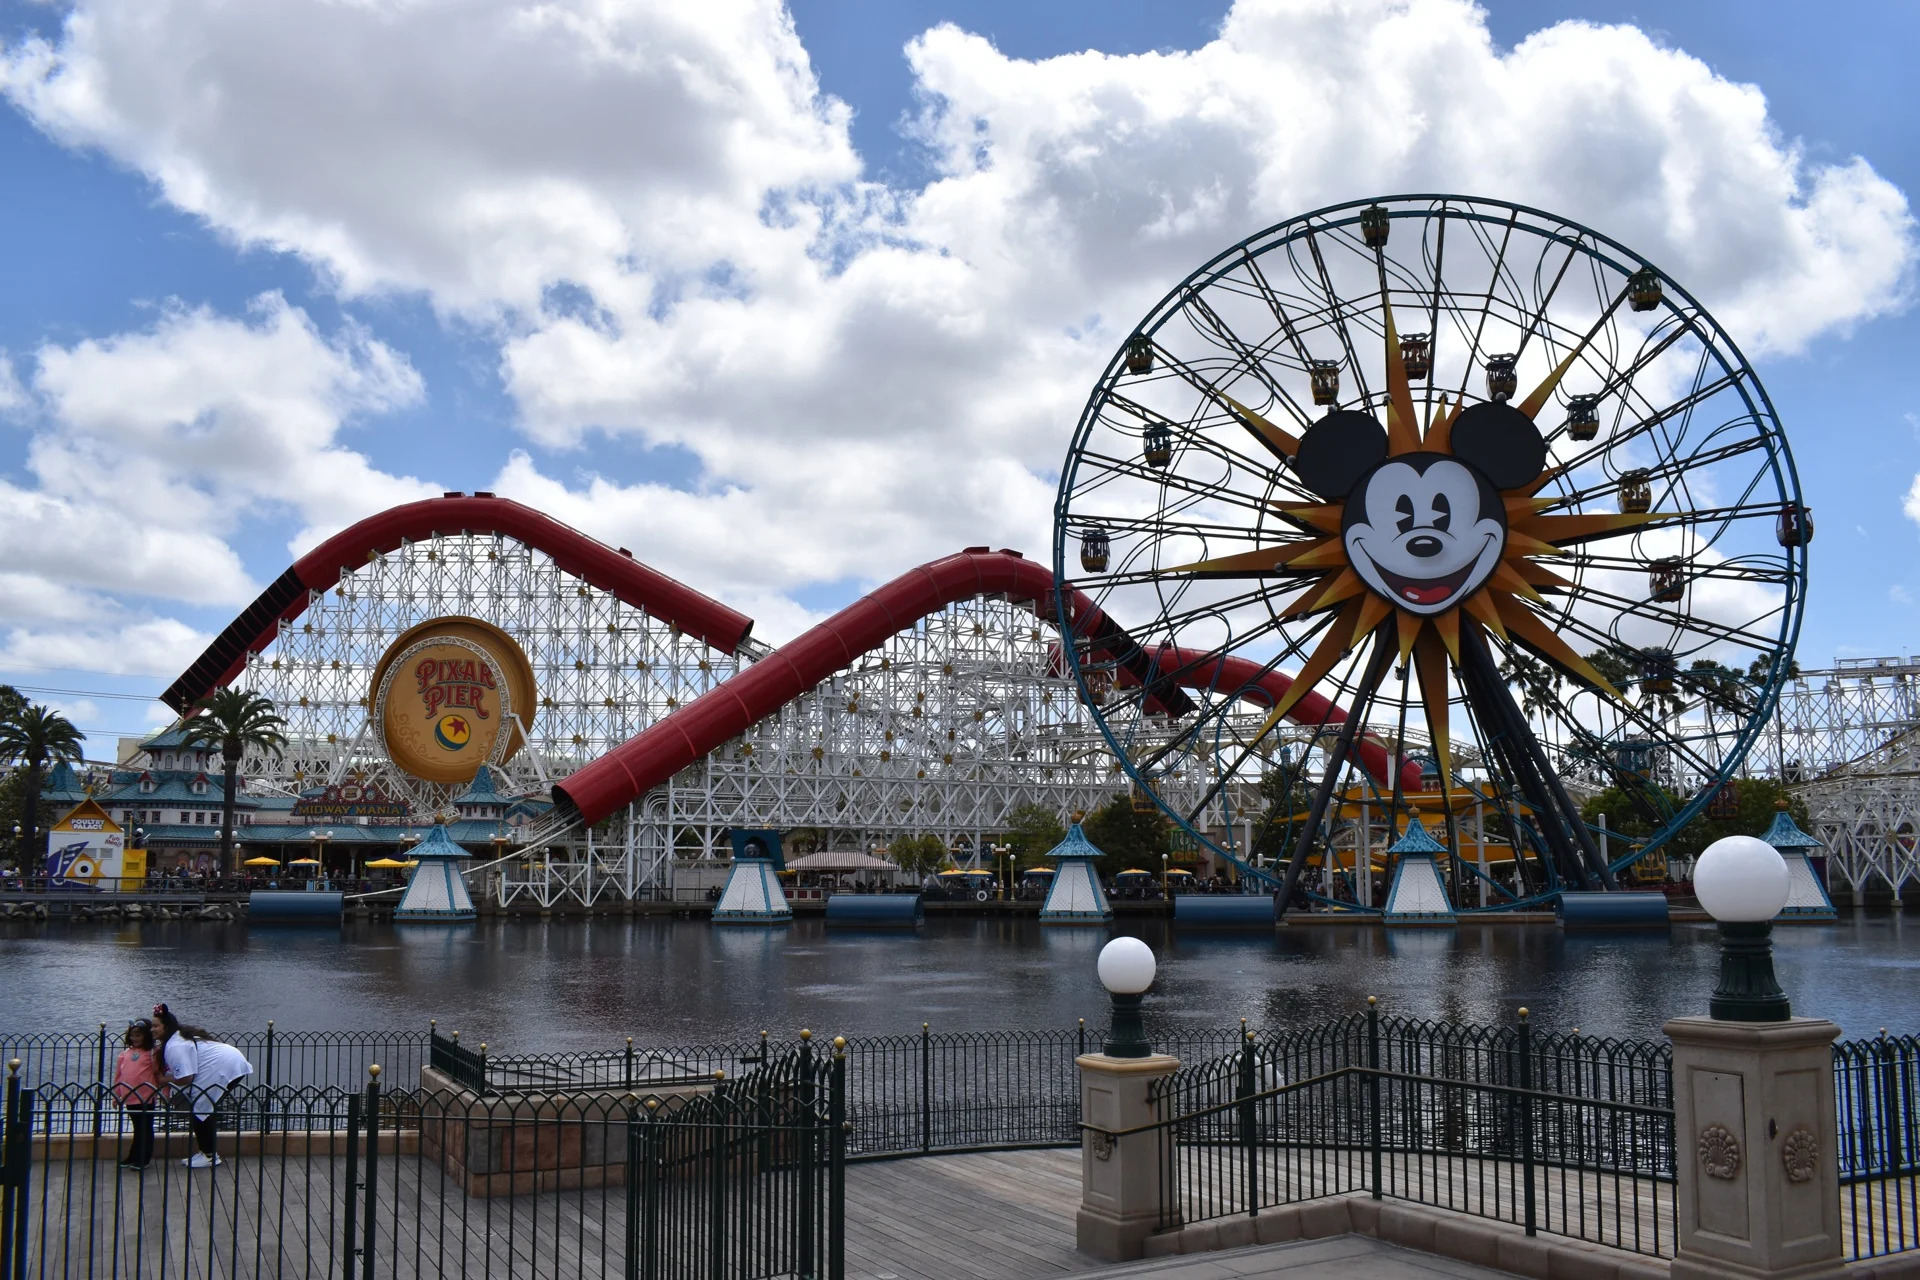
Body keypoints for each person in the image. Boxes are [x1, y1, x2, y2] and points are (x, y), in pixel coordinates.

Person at [152, 1003, 253, 1168]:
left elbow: (186, 1078)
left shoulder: (175, 1046)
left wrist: (164, 1080)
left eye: (156, 1026)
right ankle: (207, 1152)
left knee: (200, 1109)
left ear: (166, 1027)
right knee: (203, 1109)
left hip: (222, 1067)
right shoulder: (177, 1037)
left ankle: (209, 1155)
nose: (152, 1029)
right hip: (229, 1062)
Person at [111, 1018, 165, 1171]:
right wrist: (117, 1094)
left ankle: (144, 1158)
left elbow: (159, 1073)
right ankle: (134, 1156)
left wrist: (164, 1093)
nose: (135, 1039)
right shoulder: (125, 1054)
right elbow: (119, 1076)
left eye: (139, 1035)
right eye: (133, 1036)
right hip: (130, 1098)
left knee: (145, 1128)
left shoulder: (153, 1053)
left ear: (146, 1036)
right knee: (137, 1128)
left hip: (146, 1097)